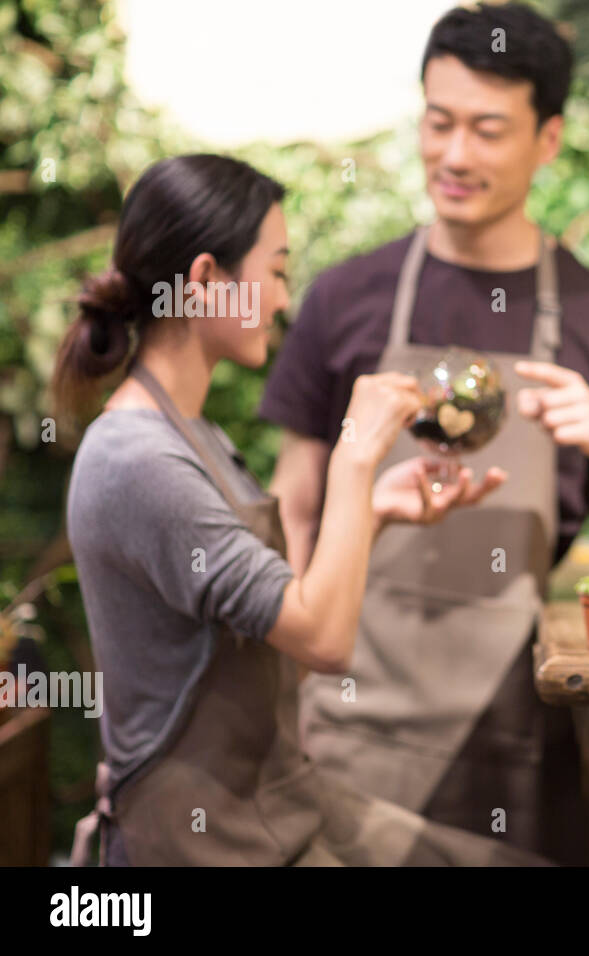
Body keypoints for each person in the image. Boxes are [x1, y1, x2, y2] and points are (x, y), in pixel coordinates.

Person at [258, 3, 589, 865]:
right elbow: (292, 504)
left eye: (488, 130)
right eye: (439, 122)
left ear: (548, 139)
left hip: (513, 722)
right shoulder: (347, 297)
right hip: (345, 715)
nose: (454, 155)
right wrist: (284, 681)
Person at [58, 153, 544, 866]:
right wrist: (353, 456)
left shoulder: (196, 438)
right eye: (276, 270)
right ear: (205, 283)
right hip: (206, 841)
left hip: (277, 805)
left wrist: (372, 510)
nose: (285, 298)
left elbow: (281, 618)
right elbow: (322, 640)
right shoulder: (137, 460)